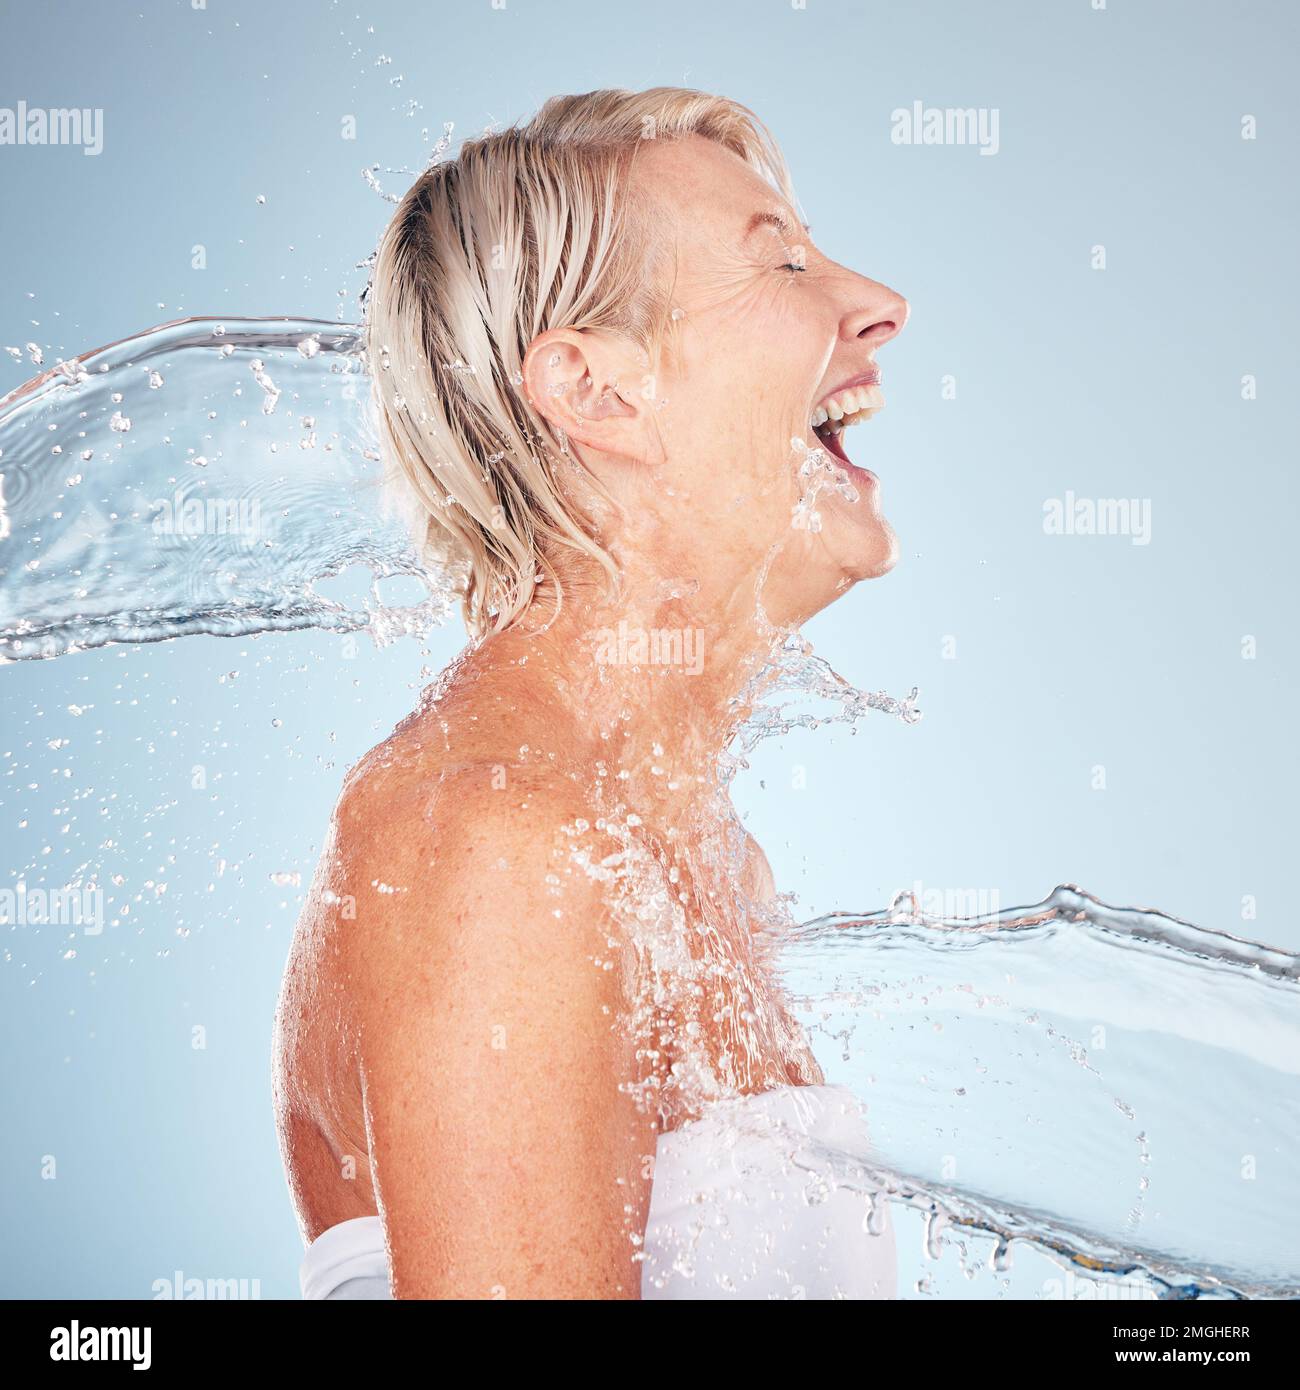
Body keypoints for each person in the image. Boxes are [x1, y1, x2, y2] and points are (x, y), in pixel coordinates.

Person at [276, 86, 907, 1300]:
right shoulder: (497, 837)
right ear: (598, 391)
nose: (877, 303)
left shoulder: (698, 855)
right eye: (777, 259)